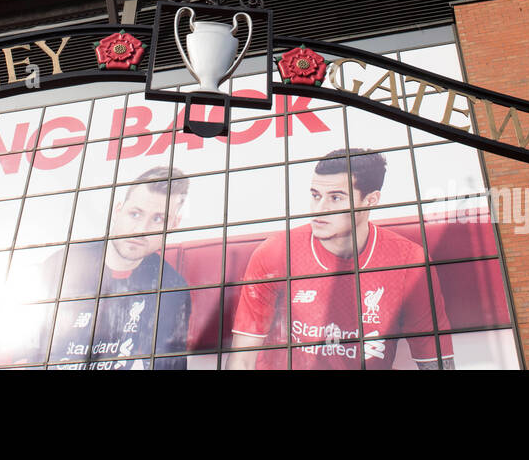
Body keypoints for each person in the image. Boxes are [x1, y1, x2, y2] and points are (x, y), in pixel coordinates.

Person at [227, 148, 453, 370]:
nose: (319, 209)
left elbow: (435, 359)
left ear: (371, 200)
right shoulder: (276, 252)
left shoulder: (409, 262)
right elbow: (242, 359)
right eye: (315, 196)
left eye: (336, 198)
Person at [39, 167, 192, 369]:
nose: (140, 230)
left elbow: (165, 364)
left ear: (174, 224)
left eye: (158, 219)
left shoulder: (171, 288)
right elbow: (25, 355)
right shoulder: (62, 266)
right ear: (118, 210)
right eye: (135, 214)